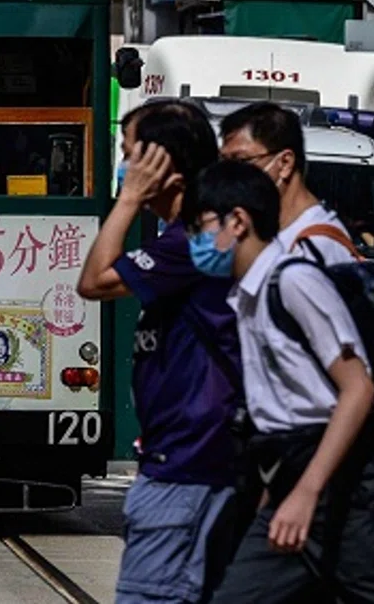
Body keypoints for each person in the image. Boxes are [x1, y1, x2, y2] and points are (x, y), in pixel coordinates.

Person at [189, 161, 374, 604]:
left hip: (345, 487)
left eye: (202, 228)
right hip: (292, 481)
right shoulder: (248, 296)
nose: (197, 243)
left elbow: (358, 390)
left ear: (237, 222)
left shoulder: (294, 282)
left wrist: (307, 492)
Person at [76, 100, 242, 604]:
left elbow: (94, 280)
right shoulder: (193, 238)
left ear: (161, 164)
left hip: (183, 470)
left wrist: (126, 201)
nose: (123, 165)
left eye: (129, 154)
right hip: (200, 466)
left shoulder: (194, 244)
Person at [218, 102, 357, 267]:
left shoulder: (314, 249)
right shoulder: (270, 232)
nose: (227, 174)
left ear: (285, 163)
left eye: (240, 161)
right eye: (223, 163)